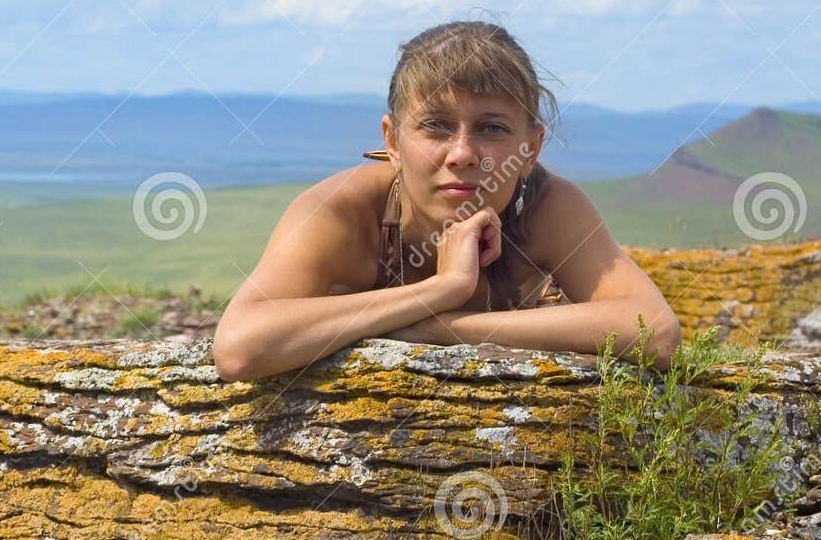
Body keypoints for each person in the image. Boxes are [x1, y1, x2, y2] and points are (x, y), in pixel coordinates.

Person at [212, 20, 682, 381]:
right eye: (435, 125)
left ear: (531, 149)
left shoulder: (549, 205)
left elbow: (655, 332)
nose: (462, 154)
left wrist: (441, 328)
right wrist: (442, 290)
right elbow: (239, 348)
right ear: (391, 141)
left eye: (492, 128)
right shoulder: (340, 211)